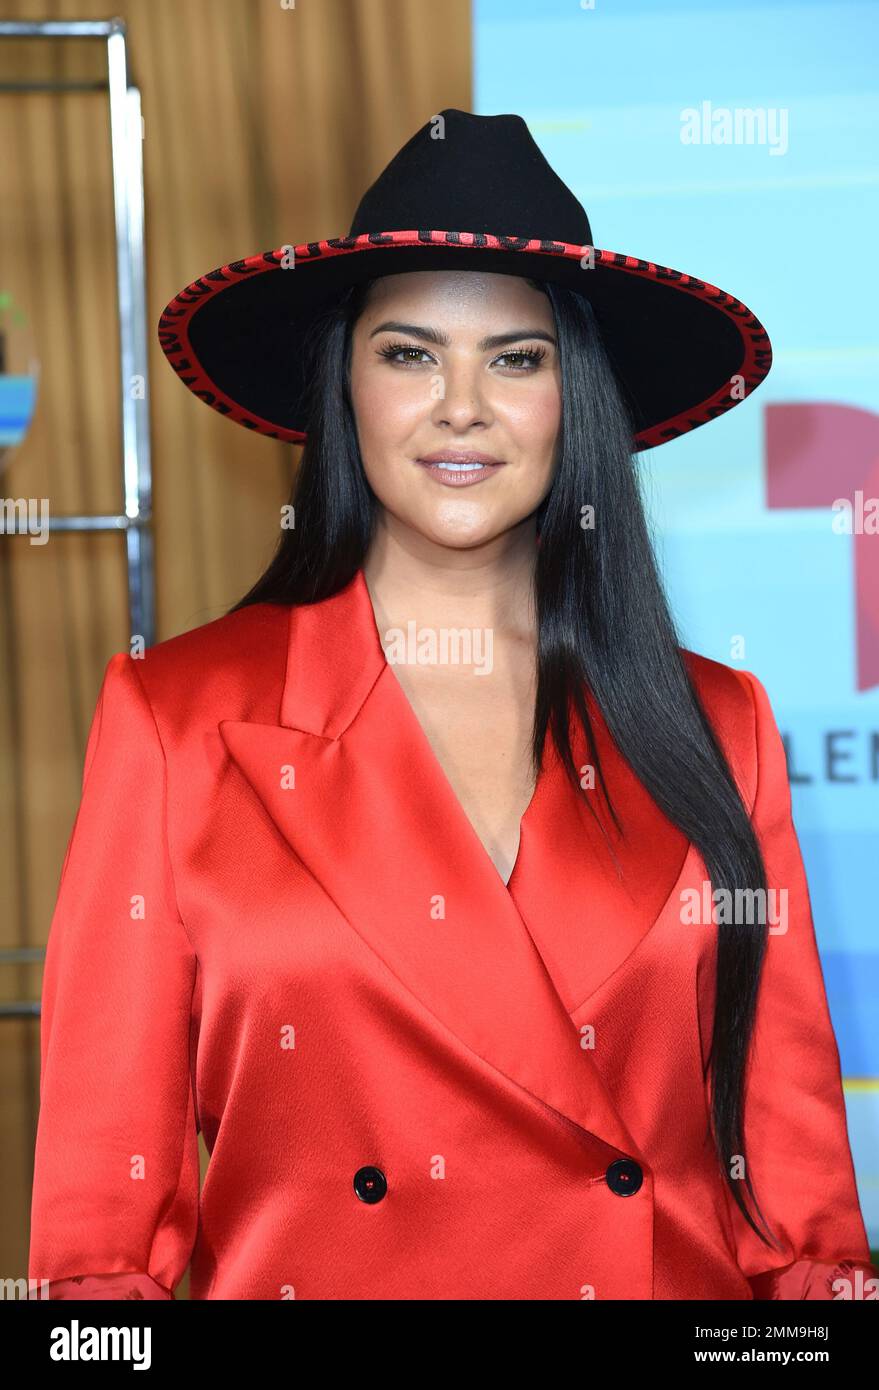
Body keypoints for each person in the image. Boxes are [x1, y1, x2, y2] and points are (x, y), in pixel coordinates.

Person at [28, 109, 876, 1301]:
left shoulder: (719, 721)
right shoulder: (177, 719)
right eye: (411, 353)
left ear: (574, 395)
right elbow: (96, 1259)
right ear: (347, 382)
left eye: (516, 358)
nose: (461, 406)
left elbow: (804, 1234)